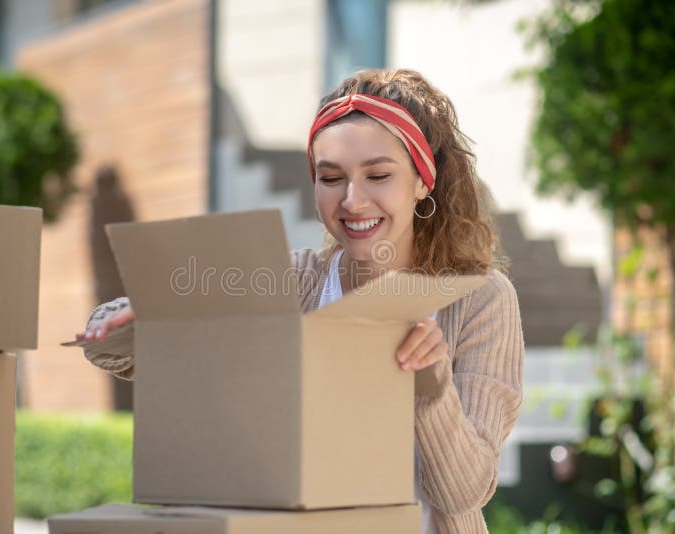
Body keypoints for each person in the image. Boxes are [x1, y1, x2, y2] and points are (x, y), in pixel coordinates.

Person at [75, 68, 524, 533]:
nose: (352, 200)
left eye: (378, 175)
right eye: (331, 178)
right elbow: (101, 345)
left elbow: (464, 493)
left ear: (422, 182)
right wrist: (157, 313)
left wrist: (432, 389)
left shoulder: (480, 300)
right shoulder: (288, 280)